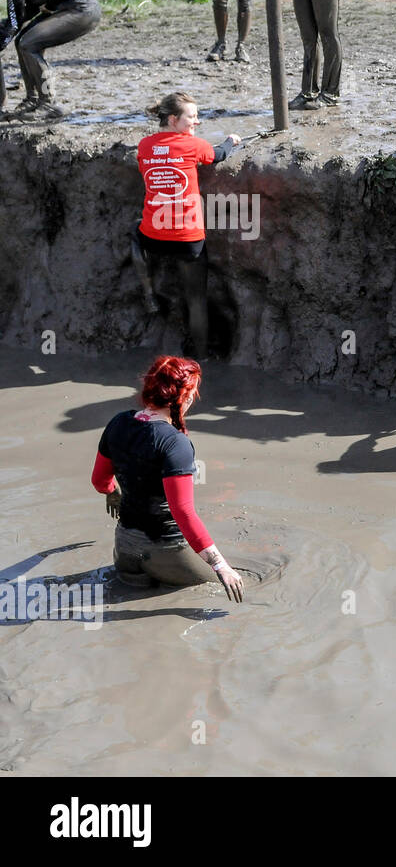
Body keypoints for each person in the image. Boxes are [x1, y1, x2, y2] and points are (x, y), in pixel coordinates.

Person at [91, 355, 245, 601]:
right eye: (193, 392)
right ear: (184, 395)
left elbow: (99, 480)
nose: (194, 398)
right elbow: (182, 512)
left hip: (125, 552)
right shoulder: (176, 443)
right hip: (167, 553)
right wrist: (220, 566)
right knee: (248, 583)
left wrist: (112, 492)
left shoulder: (118, 423)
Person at [134, 92, 242, 359]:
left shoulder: (145, 145)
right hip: (187, 240)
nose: (196, 122)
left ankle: (147, 290)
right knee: (196, 301)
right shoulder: (192, 145)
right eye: (191, 117)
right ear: (173, 120)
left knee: (134, 231)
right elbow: (218, 155)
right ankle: (201, 357)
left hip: (153, 237)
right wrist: (231, 140)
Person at [0, 0, 99, 121]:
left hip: (80, 10)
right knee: (22, 40)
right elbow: (24, 12)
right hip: (74, 8)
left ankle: (48, 103)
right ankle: (33, 99)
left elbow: (16, 20)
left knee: (28, 44)